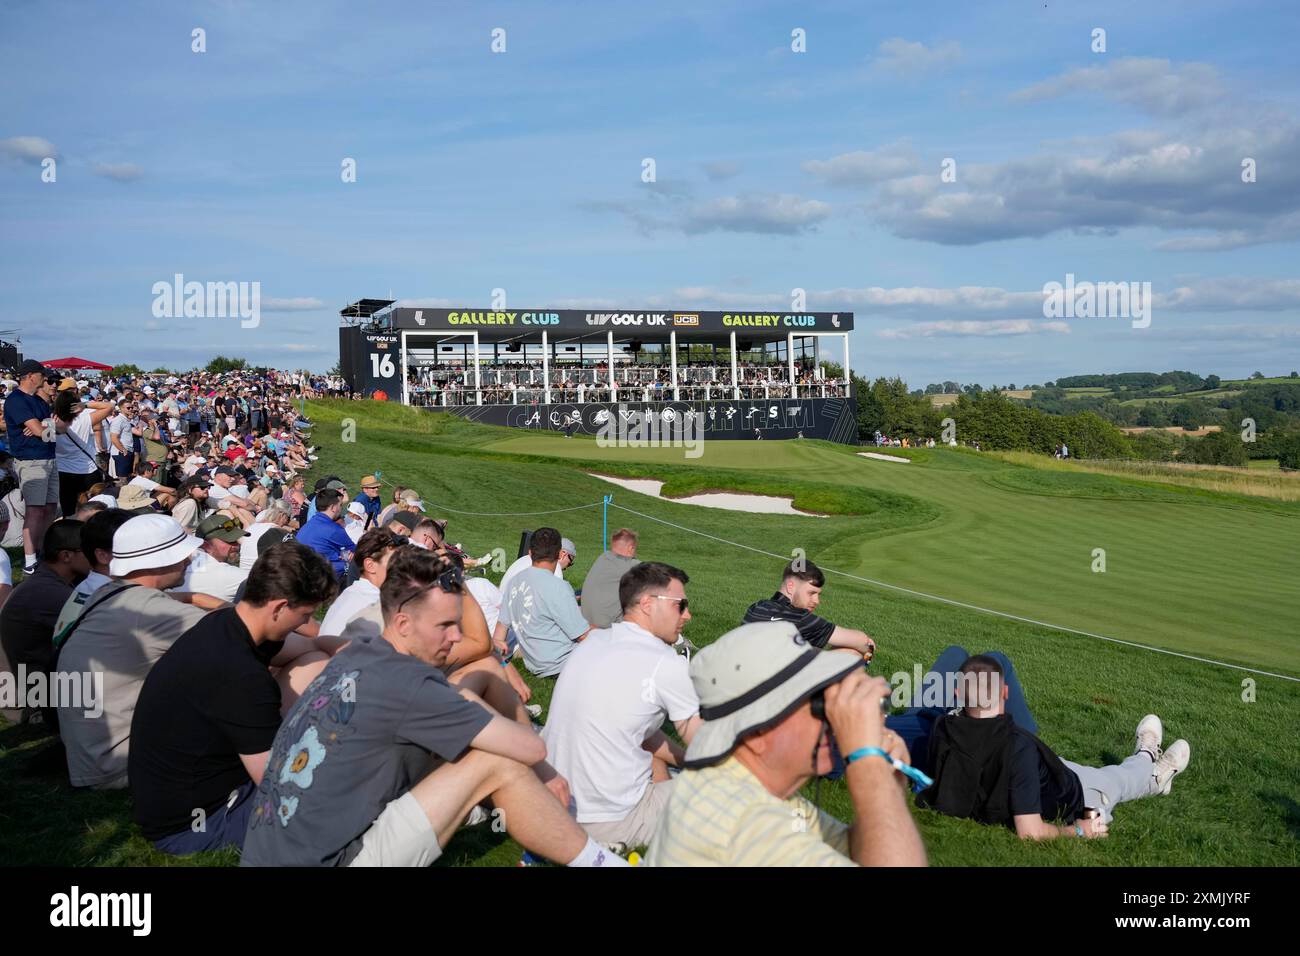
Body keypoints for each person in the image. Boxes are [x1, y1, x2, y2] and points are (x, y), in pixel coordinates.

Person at [241, 548, 626, 868]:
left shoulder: (358, 654)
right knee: (498, 762)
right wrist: (535, 763)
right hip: (331, 861)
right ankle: (600, 863)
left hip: (269, 849)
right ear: (404, 622)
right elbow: (531, 748)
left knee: (474, 724)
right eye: (445, 625)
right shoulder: (409, 685)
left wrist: (463, 704)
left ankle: (538, 834)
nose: (456, 636)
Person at [646, 620, 927, 867]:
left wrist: (890, 786)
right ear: (756, 734)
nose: (831, 716)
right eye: (816, 703)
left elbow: (855, 849)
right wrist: (869, 768)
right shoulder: (743, 823)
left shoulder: (751, 786)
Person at [129, 543, 340, 855]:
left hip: (185, 795)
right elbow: (279, 783)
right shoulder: (239, 674)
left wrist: (372, 654)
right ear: (279, 607)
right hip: (195, 826)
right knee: (346, 806)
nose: (304, 624)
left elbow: (316, 647)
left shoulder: (227, 624)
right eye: (305, 614)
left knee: (317, 659)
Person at [916, 655, 1190, 838]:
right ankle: (1151, 767)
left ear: (957, 693)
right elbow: (1030, 832)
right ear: (1005, 693)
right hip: (1079, 796)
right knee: (1116, 780)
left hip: (1045, 771)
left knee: (1072, 765)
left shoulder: (943, 726)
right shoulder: (1017, 747)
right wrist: (1079, 830)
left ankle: (1149, 765)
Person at [543, 562, 700, 848]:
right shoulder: (665, 663)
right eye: (681, 605)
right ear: (648, 604)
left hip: (553, 808)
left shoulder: (593, 642)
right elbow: (709, 746)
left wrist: (684, 760)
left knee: (645, 749)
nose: (687, 615)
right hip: (610, 822)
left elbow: (637, 728)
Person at [55, 514, 210, 789]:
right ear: (159, 561)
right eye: (182, 554)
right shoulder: (150, 609)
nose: (188, 561)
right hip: (118, 764)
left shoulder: (107, 593)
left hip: (89, 753)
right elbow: (246, 641)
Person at [0, 519, 88, 723]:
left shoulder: (43, 583)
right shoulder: (51, 593)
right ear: (66, 556)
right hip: (38, 698)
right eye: (88, 550)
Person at [497, 527, 589, 678]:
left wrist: (503, 666)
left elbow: (498, 637)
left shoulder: (514, 582)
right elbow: (582, 636)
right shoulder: (558, 586)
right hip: (563, 663)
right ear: (559, 554)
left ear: (530, 553)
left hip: (533, 663)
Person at [743, 560, 875, 658]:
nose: (817, 601)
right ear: (791, 586)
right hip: (775, 691)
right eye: (811, 593)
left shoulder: (756, 606)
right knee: (851, 654)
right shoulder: (799, 618)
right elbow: (863, 642)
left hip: (740, 683)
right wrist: (868, 653)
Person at [4, 360, 61, 574]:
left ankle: (42, 552)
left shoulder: (38, 401)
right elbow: (41, 431)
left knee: (49, 508)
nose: (45, 379)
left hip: (48, 457)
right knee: (35, 510)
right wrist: (43, 427)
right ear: (30, 376)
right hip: (30, 460)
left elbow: (51, 430)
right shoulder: (17, 400)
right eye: (41, 375)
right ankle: (30, 561)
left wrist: (46, 426)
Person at [319, 528, 400, 636]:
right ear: (370, 565)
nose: (401, 566)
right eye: (394, 561)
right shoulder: (374, 603)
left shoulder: (352, 592)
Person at [53, 386, 113, 519]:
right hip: (87, 469)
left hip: (63, 470)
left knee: (68, 509)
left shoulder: (51, 421)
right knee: (93, 507)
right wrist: (85, 404)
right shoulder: (85, 418)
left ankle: (71, 532)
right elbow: (109, 406)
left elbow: (45, 441)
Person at [173, 514, 251, 604]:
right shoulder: (228, 574)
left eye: (236, 540)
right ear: (206, 545)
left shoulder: (183, 561)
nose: (237, 545)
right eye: (230, 541)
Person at [578, 527, 640, 629]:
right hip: (604, 628)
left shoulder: (602, 557)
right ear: (630, 548)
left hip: (586, 621)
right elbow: (657, 576)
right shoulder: (629, 564)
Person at [295, 488, 354, 578]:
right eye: (340, 505)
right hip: (326, 578)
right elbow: (358, 550)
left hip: (306, 575)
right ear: (333, 508)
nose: (341, 509)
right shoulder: (333, 529)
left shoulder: (307, 526)